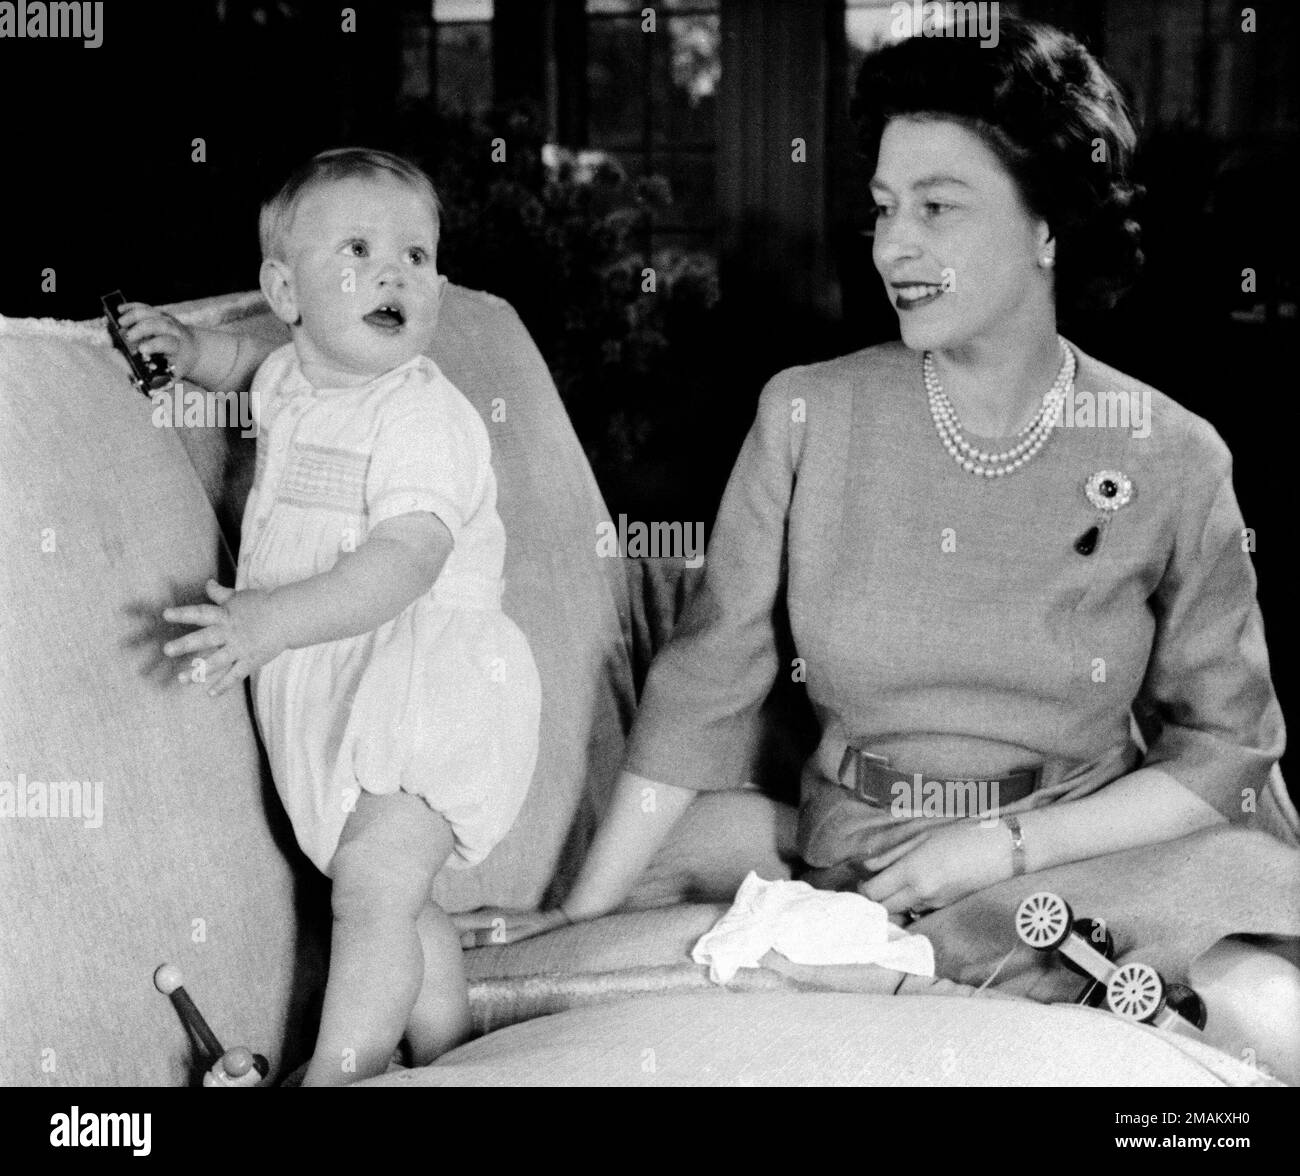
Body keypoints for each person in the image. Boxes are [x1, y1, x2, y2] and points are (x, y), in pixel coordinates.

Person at [457, 16, 1299, 1024]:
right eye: (884, 206)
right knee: (499, 969)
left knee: (1258, 981)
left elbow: (1226, 755)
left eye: (938, 208)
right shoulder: (808, 413)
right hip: (857, 857)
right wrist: (573, 914)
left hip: (1080, 859)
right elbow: (703, 685)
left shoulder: (1173, 453)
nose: (894, 244)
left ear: (1049, 227)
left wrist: (1000, 848)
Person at [122, 148, 542, 1085]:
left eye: (419, 256)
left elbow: (401, 566)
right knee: (399, 902)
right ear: (286, 291)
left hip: (423, 692)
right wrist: (188, 355)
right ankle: (451, 1058)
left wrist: (267, 624)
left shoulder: (424, 419)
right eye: (358, 250)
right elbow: (245, 365)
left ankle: (338, 1073)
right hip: (338, 691)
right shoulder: (293, 375)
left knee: (374, 891)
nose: (396, 272)